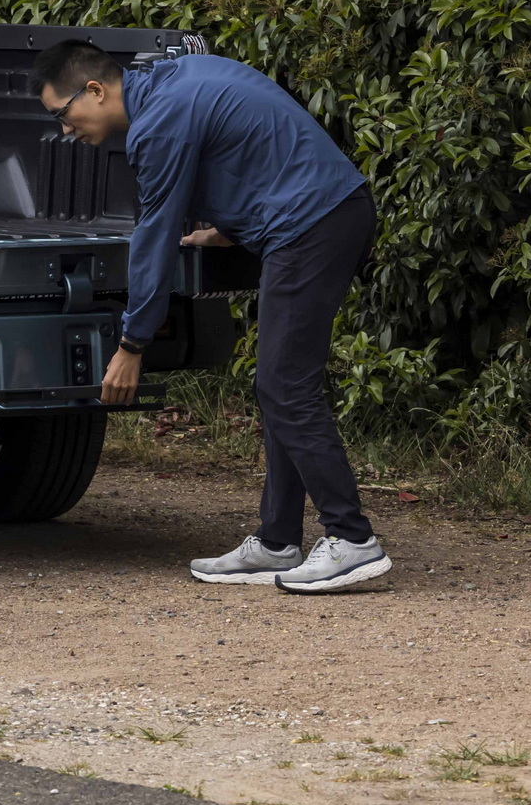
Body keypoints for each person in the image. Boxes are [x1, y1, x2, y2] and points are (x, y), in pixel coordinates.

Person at [31, 40, 390, 594]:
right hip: (319, 213)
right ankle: (277, 542)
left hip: (313, 223)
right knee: (279, 386)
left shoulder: (159, 125)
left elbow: (154, 237)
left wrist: (133, 344)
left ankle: (353, 541)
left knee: (284, 386)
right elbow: (253, 147)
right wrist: (230, 224)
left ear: (96, 91)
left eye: (63, 114)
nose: (65, 130)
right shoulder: (172, 84)